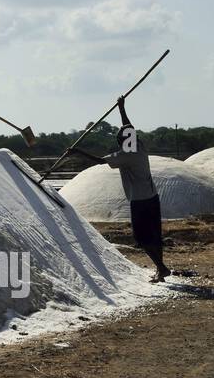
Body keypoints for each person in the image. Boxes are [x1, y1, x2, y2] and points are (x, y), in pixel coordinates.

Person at [72, 97, 172, 283]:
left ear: (124, 141)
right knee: (154, 235)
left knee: (140, 237)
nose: (119, 141)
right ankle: (161, 269)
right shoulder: (139, 146)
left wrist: (77, 152)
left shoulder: (126, 155)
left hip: (140, 201)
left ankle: (161, 267)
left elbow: (101, 161)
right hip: (152, 197)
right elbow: (129, 128)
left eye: (120, 139)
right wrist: (122, 109)